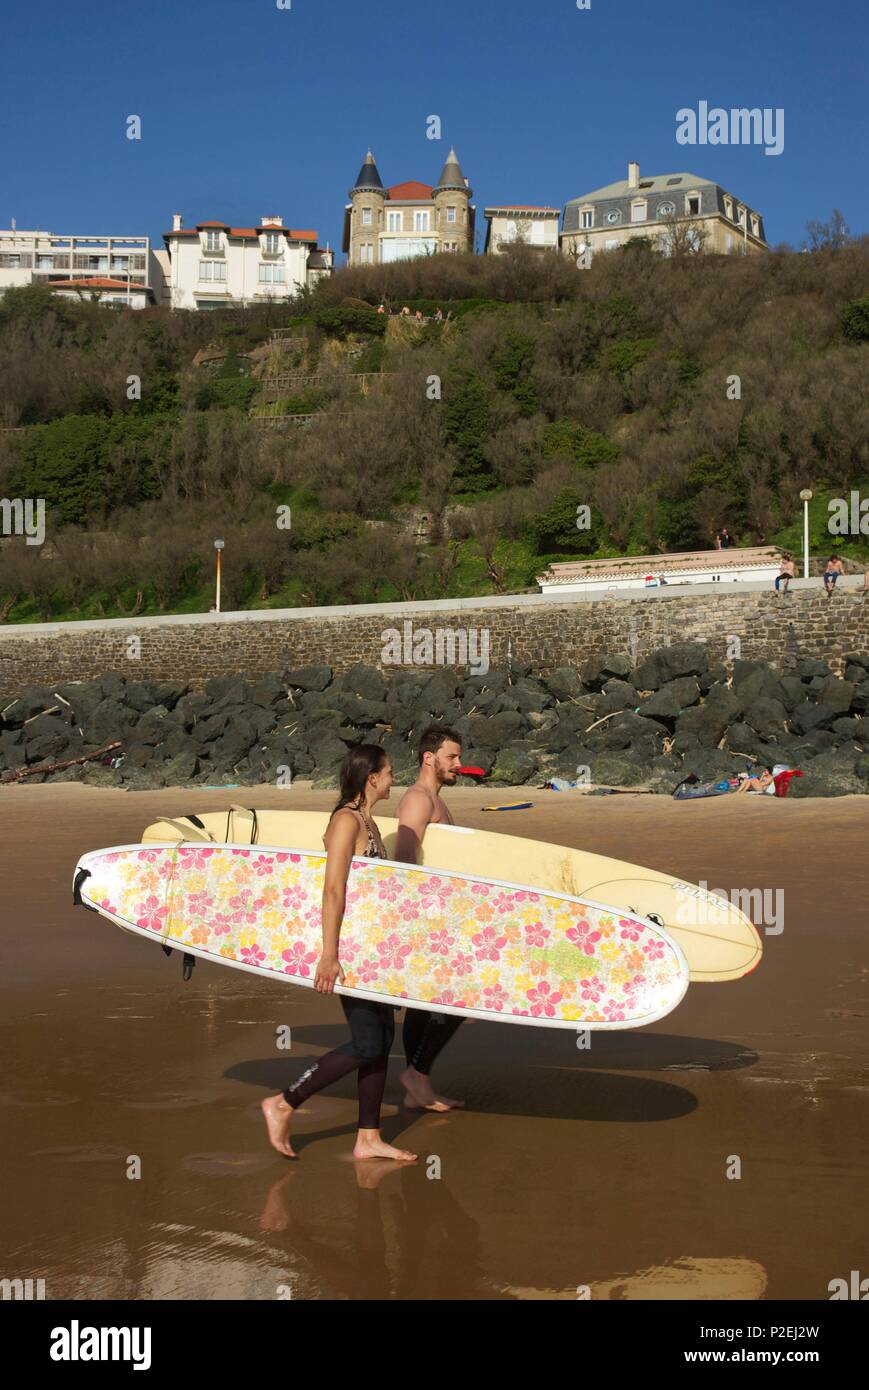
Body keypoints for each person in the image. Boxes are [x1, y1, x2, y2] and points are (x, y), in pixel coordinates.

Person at [262, 745, 417, 1163]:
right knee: (368, 1043)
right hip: (348, 949)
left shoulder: (368, 820)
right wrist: (329, 954)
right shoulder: (346, 821)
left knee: (382, 1040)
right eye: (388, 772)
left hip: (371, 951)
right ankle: (284, 1102)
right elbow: (333, 888)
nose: (392, 779)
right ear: (372, 778)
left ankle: (368, 1137)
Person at [394, 725, 467, 1113]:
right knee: (460, 995)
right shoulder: (419, 801)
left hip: (441, 916)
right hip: (427, 919)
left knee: (424, 1004)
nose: (459, 763)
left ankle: (416, 1087)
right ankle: (417, 1074)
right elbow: (403, 861)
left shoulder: (435, 800)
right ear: (429, 758)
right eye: (452, 756)